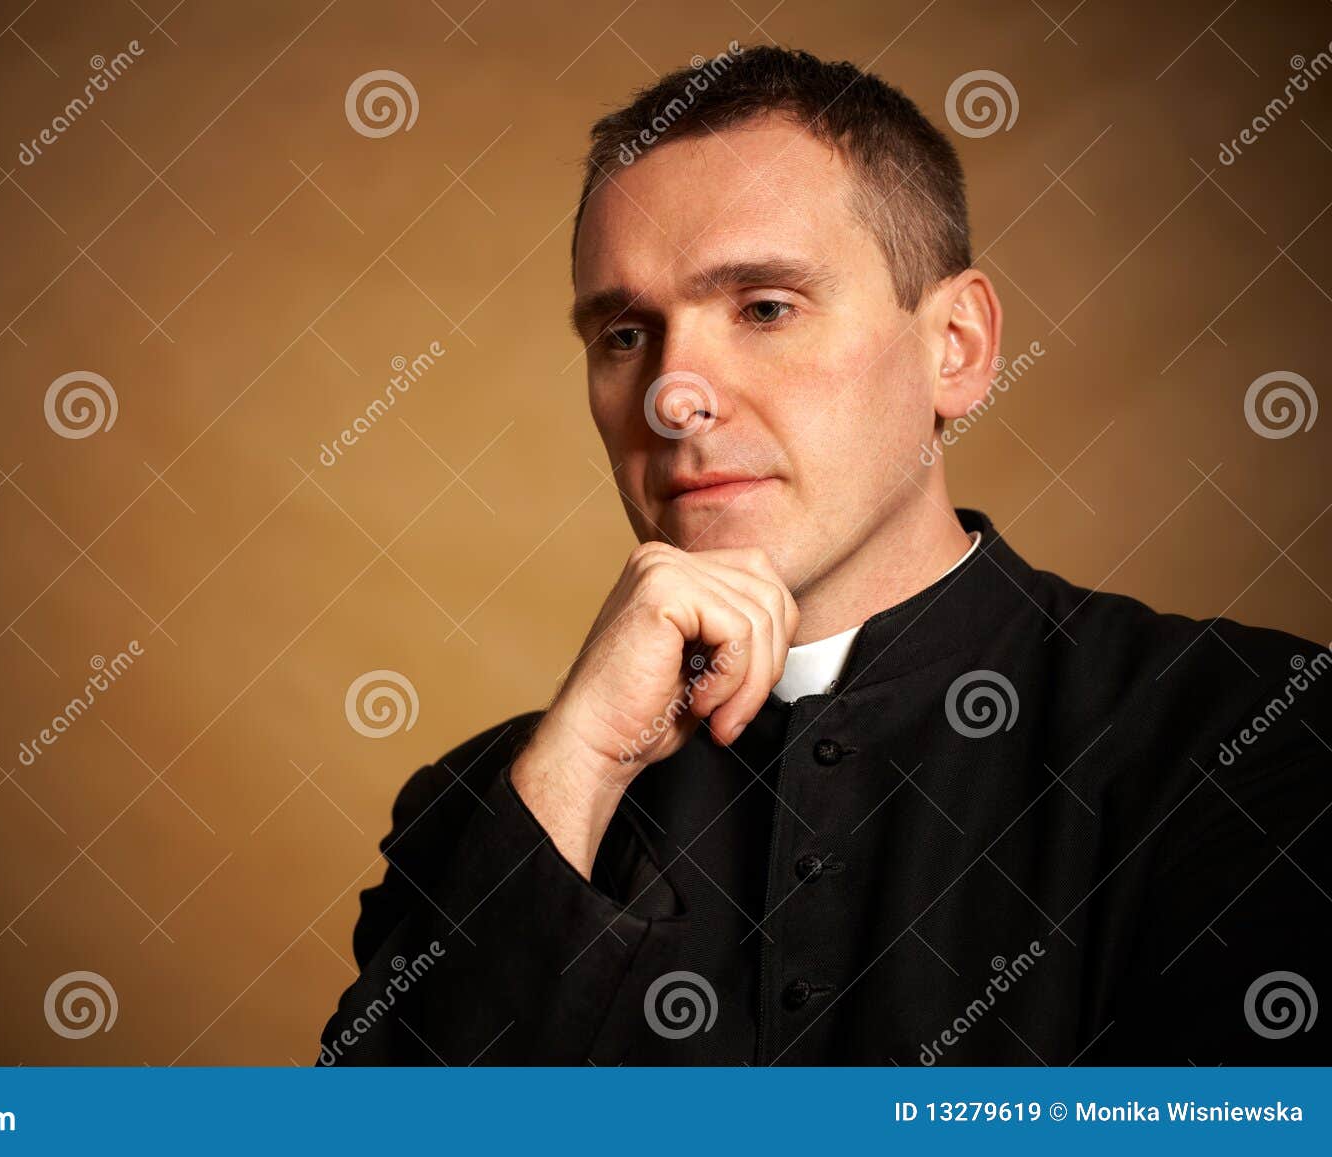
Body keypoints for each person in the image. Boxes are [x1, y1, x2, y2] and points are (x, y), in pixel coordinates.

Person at [318, 45, 1330, 1065]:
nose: (674, 396)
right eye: (624, 333)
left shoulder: (1244, 734)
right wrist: (575, 773)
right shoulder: (492, 806)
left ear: (958, 347)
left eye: (763, 308)